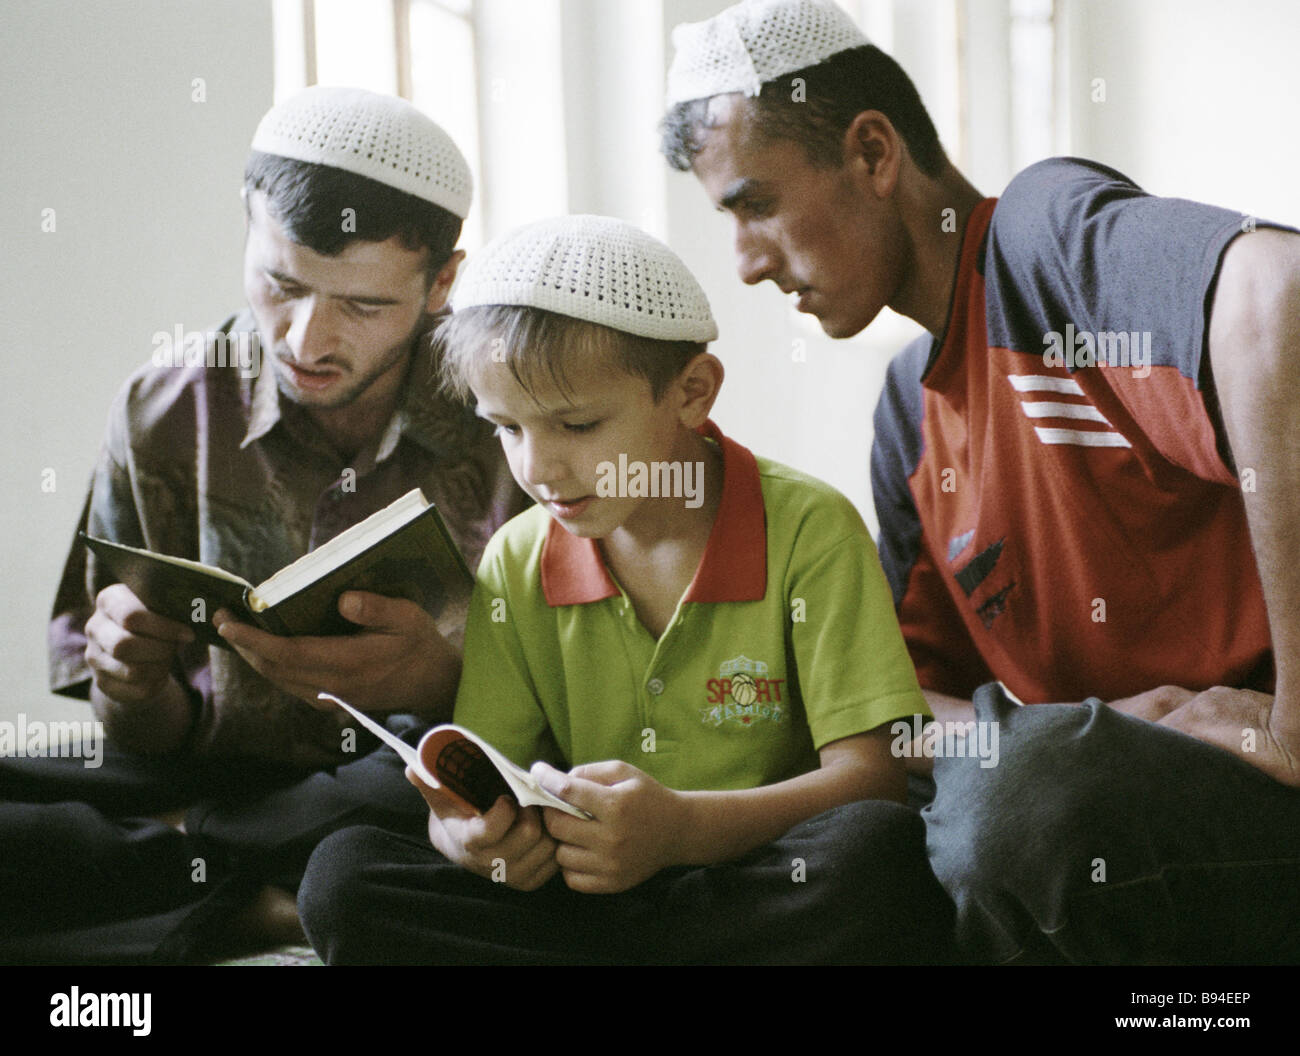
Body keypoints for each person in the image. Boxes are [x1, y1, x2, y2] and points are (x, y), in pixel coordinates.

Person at [660, 0, 1300, 964]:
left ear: (873, 153)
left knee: (1018, 803)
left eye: (755, 204)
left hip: (1251, 793)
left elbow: (1274, 296)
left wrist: (1295, 717)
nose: (747, 263)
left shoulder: (1036, 241)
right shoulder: (908, 415)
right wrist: (1089, 725)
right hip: (1117, 807)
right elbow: (899, 708)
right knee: (862, 841)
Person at [296, 214, 957, 965]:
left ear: (691, 393)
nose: (539, 467)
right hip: (591, 901)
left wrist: (679, 830)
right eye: (506, 428)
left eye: (576, 425)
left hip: (748, 883)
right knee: (344, 878)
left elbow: (871, 781)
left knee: (878, 857)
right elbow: (479, 788)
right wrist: (473, 842)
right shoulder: (518, 560)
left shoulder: (809, 529)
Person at [7, 86, 526, 964]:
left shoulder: (510, 417)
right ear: (248, 225)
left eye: (362, 306)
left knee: (427, 806)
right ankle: (263, 902)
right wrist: (130, 687)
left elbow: (560, 722)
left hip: (399, 785)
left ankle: (177, 867)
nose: (306, 340)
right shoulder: (164, 407)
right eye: (280, 285)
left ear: (443, 281)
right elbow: (145, 735)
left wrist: (443, 678)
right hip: (202, 773)